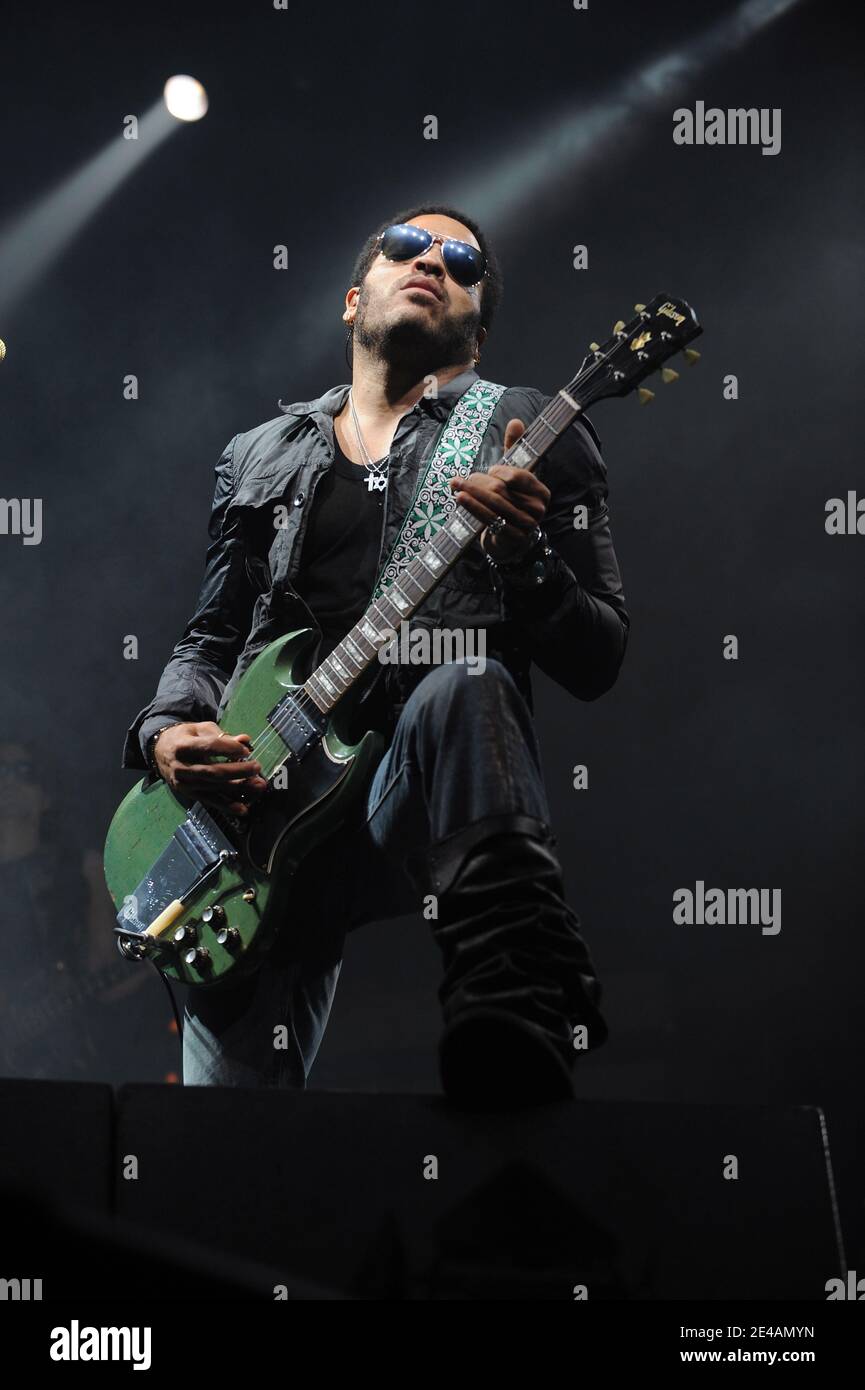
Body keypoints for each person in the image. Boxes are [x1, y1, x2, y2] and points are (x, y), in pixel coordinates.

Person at [122, 204, 630, 1107]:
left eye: (462, 260)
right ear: (354, 300)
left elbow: (598, 654)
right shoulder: (258, 453)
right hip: (257, 803)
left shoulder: (527, 429)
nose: (431, 259)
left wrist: (528, 560)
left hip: (411, 777)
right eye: (406, 245)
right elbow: (211, 636)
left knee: (463, 683)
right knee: (225, 1154)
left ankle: (514, 1004)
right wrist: (166, 733)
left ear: (477, 325)